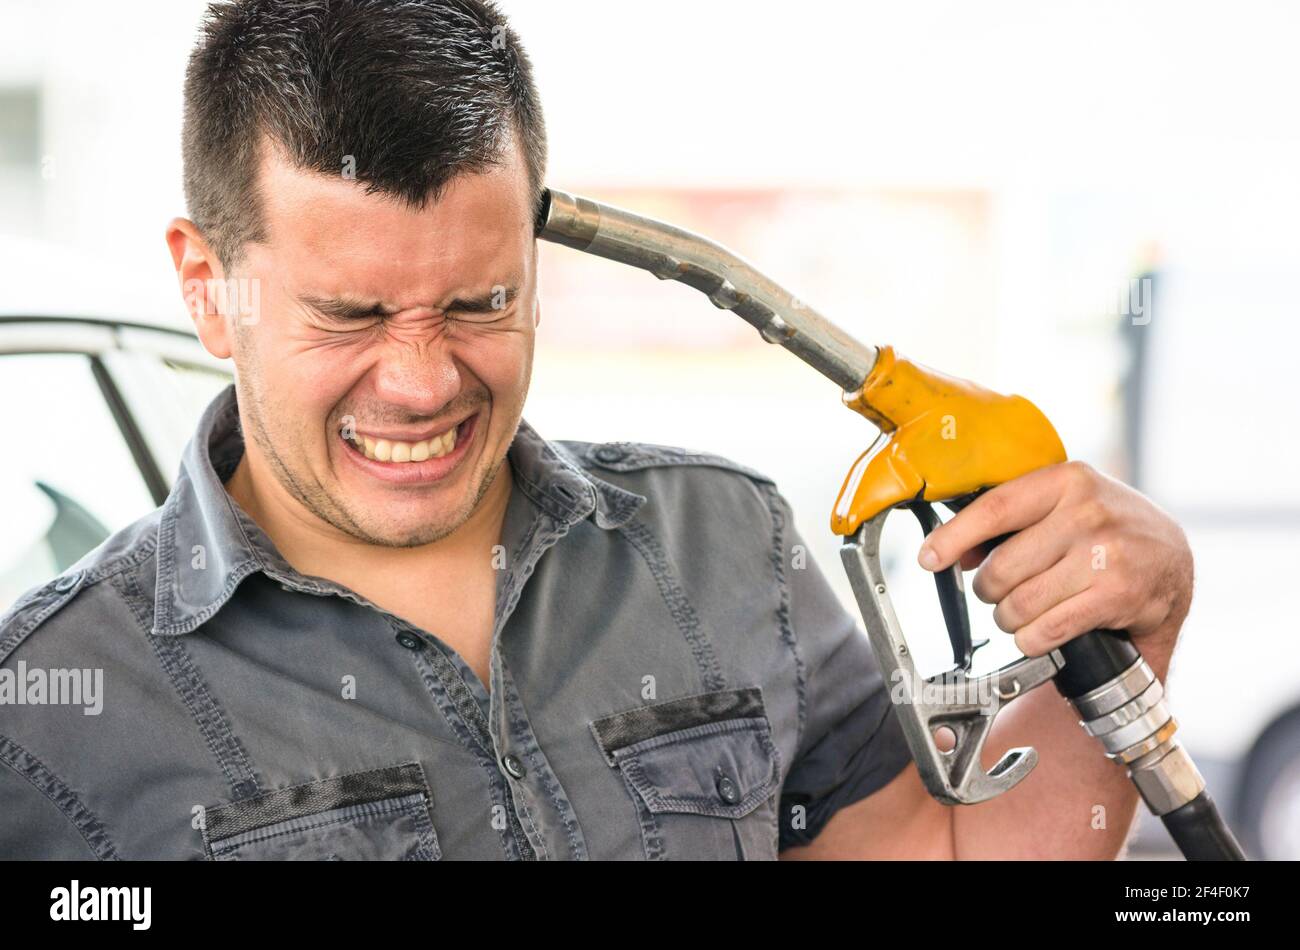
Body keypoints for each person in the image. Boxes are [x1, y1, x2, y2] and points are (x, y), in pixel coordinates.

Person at [0, 0, 1193, 860]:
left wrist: (1133, 630)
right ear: (207, 285)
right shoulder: (47, 720)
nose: (420, 383)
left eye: (481, 301)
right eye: (349, 314)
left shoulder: (723, 545)